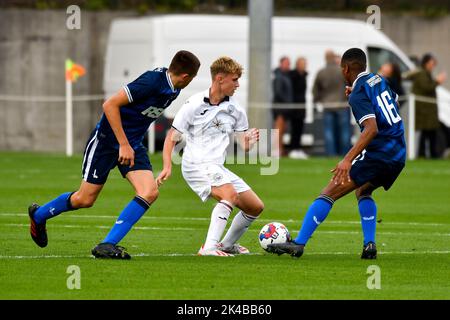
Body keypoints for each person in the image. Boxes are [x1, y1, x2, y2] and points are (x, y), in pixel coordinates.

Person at [28, 50, 201, 259]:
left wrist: (130, 144)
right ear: (186, 77)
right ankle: (39, 215)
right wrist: (123, 143)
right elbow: (109, 105)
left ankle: (107, 245)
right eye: (192, 78)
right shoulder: (152, 81)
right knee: (85, 199)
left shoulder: (173, 89)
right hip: (106, 143)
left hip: (132, 145)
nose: (191, 82)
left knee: (149, 192)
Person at [267, 48, 406, 259]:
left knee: (328, 192)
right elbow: (393, 102)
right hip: (399, 152)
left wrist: (347, 159)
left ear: (346, 68)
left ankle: (298, 244)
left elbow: (371, 129)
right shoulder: (378, 79)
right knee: (363, 191)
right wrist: (360, 97)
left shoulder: (358, 92)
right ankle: (369, 245)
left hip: (379, 153)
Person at [157, 56, 264, 256]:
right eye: (235, 80)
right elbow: (171, 137)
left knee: (255, 207)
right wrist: (167, 166)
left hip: (216, 167)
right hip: (196, 165)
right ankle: (209, 248)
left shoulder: (236, 109)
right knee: (229, 194)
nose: (238, 85)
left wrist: (250, 140)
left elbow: (244, 146)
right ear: (220, 79)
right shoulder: (194, 104)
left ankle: (226, 244)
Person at [313, 49, 351, 156]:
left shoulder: (321, 72)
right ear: (334, 57)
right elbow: (349, 85)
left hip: (328, 106)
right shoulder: (342, 71)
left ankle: (331, 155)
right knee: (345, 132)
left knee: (329, 133)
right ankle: (345, 155)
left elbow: (315, 90)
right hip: (342, 105)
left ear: (325, 58)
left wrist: (319, 100)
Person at [411, 53, 447, 158]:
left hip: (427, 112)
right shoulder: (422, 74)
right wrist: (437, 81)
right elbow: (427, 88)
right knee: (427, 134)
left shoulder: (425, 74)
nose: (433, 66)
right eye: (431, 63)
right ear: (426, 63)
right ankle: (425, 155)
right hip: (424, 111)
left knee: (429, 134)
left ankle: (428, 155)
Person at [272, 56, 294, 157]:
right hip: (280, 108)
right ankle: (277, 151)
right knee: (279, 131)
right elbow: (278, 92)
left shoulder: (285, 76)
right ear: (281, 64)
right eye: (287, 63)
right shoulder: (279, 76)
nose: (289, 65)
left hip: (284, 108)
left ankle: (280, 150)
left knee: (282, 131)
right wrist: (288, 102)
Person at [288, 57, 309, 159]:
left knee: (300, 129)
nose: (305, 66)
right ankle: (293, 149)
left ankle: (298, 149)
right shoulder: (293, 75)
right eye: (303, 63)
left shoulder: (304, 75)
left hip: (302, 107)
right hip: (294, 107)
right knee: (294, 129)